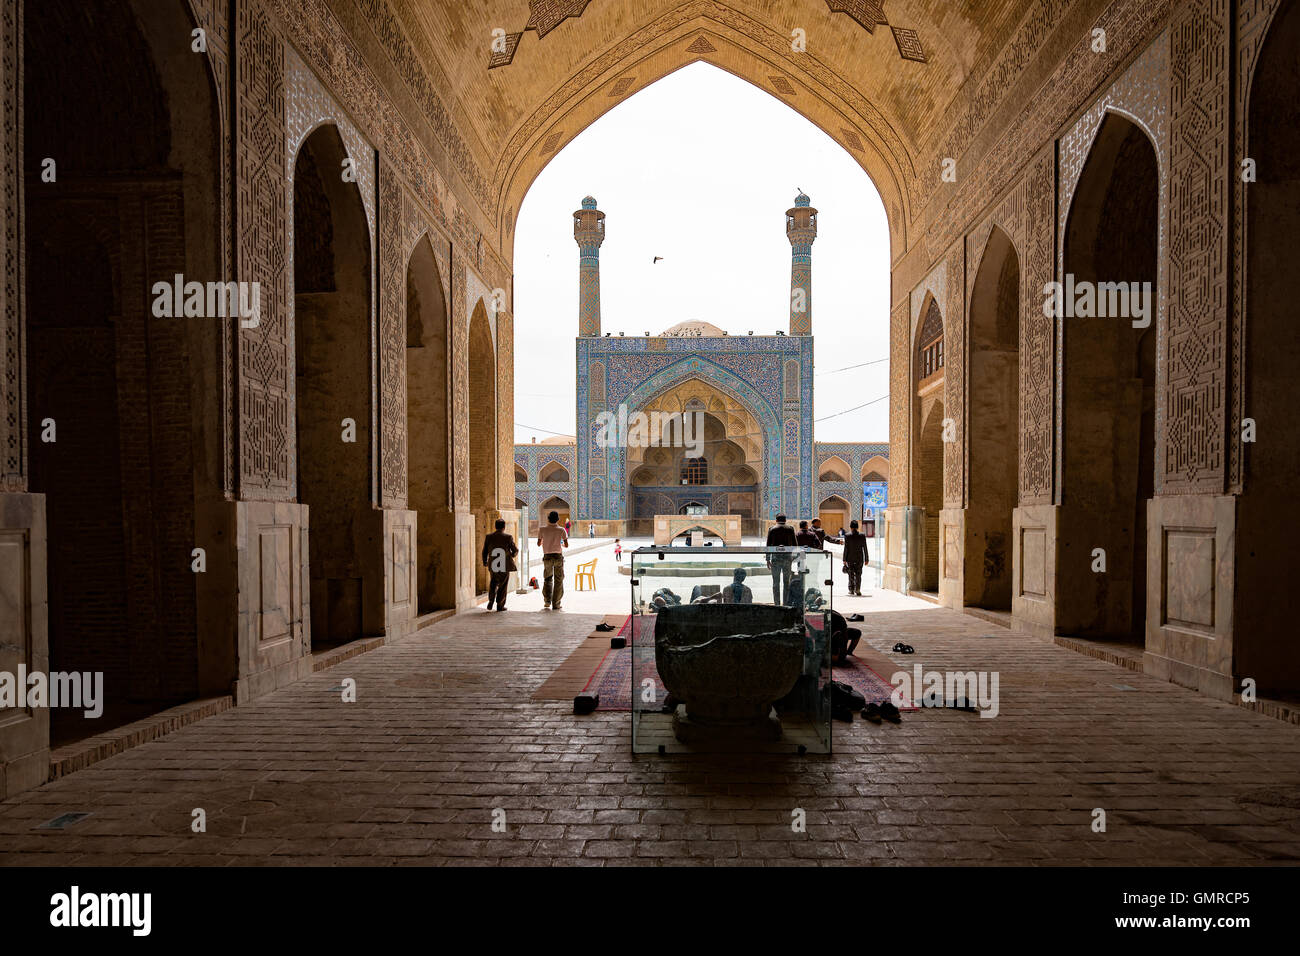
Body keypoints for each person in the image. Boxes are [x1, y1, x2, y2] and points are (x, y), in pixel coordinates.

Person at [481, 518, 518, 612]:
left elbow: (485, 551)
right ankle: (500, 605)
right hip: (504, 564)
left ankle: (491, 600)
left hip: (493, 564)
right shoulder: (508, 537)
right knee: (503, 585)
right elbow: (515, 550)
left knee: (493, 583)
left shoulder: (489, 537)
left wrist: (485, 561)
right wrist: (511, 556)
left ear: (495, 526)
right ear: (504, 527)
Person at [538, 510, 569, 610]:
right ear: (558, 519)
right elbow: (566, 545)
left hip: (547, 556)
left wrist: (545, 542)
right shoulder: (561, 530)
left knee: (547, 578)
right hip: (558, 556)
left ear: (548, 518)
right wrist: (560, 544)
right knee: (558, 580)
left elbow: (539, 543)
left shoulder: (542, 529)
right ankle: (556, 603)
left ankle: (547, 601)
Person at [765, 514, 798, 605]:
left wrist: (768, 559)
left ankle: (777, 604)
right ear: (785, 520)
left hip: (775, 559)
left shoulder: (772, 529)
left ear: (776, 520)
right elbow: (795, 545)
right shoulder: (790, 529)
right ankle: (786, 604)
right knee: (786, 583)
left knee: (776, 583)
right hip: (787, 558)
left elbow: (768, 546)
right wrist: (793, 557)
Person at [842, 519, 870, 596]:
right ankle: (857, 589)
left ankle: (851, 589)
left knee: (851, 574)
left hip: (850, 558)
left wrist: (844, 559)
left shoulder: (847, 535)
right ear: (857, 527)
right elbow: (865, 547)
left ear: (850, 527)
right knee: (858, 574)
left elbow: (846, 548)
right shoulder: (862, 535)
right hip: (859, 558)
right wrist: (866, 559)